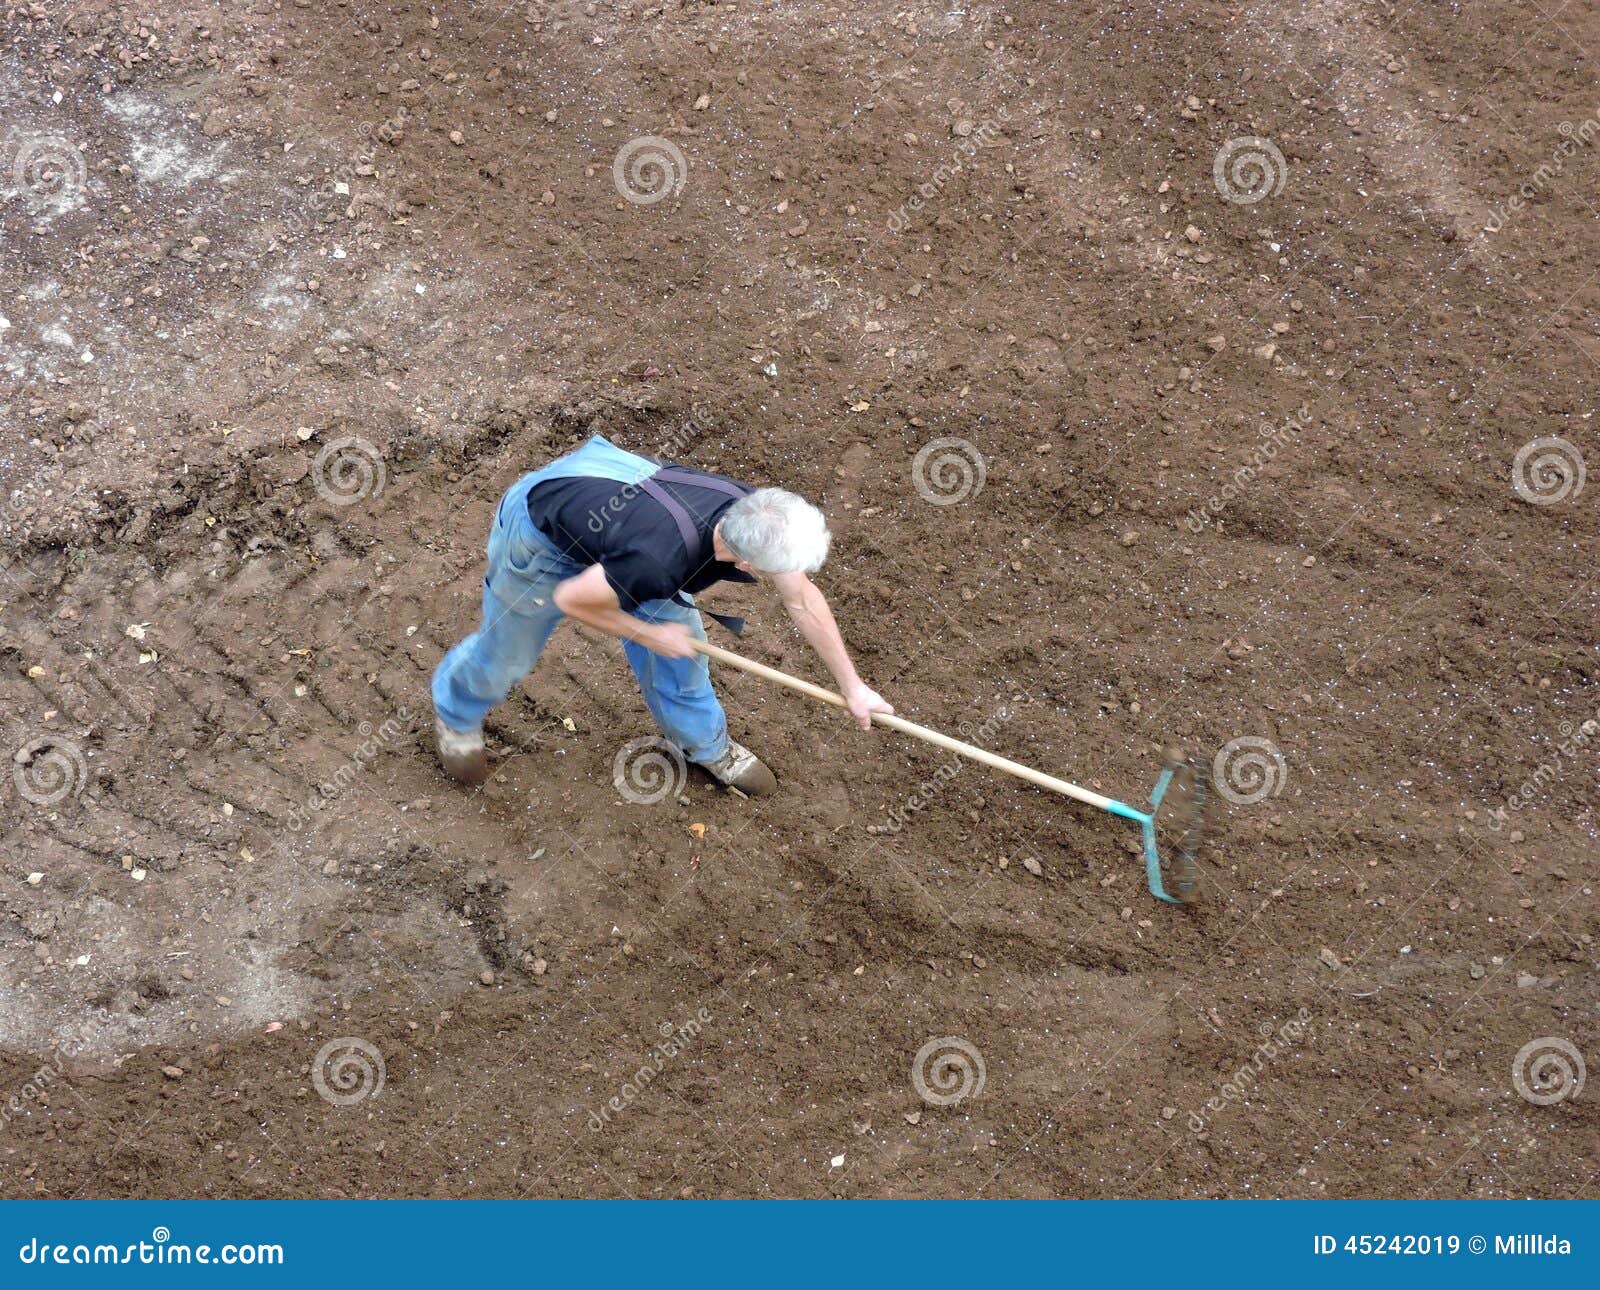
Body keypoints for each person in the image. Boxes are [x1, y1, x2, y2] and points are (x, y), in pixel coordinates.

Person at [431, 434, 892, 793]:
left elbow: (803, 599)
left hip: (620, 505)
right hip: (544, 528)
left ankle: (705, 746)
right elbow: (572, 599)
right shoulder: (655, 562)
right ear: (748, 563)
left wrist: (853, 687)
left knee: (682, 656)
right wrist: (648, 634)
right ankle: (457, 713)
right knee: (509, 653)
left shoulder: (758, 516)